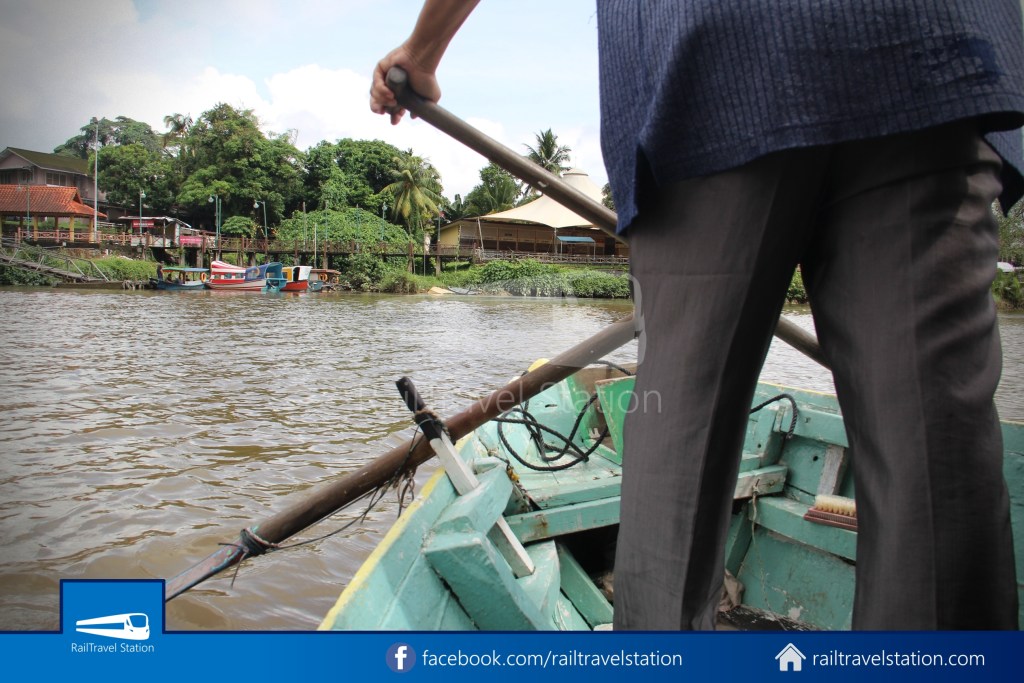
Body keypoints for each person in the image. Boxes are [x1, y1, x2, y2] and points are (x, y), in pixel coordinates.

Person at [371, 1, 1024, 630]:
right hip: (930, 47)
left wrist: (422, 51)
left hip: (715, 64)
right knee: (931, 459)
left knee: (682, 430)